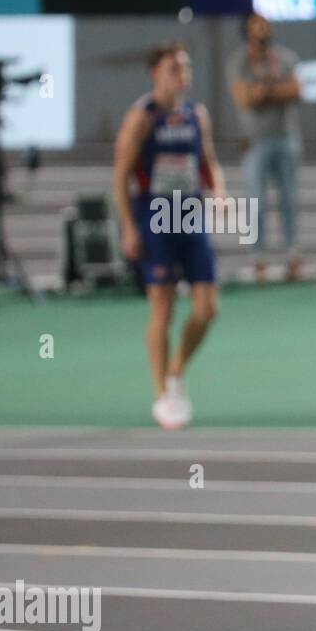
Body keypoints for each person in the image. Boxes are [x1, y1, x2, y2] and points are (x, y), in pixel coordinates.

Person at [112, 42, 224, 430]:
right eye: (174, 66)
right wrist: (128, 226)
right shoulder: (141, 118)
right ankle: (163, 394)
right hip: (155, 215)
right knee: (162, 305)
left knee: (208, 308)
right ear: (155, 73)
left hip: (189, 212)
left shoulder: (197, 114)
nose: (183, 72)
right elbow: (120, 174)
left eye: (186, 65)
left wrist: (220, 192)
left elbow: (207, 161)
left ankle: (176, 372)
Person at [227, 12, 304, 282]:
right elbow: (246, 98)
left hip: (286, 138)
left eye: (265, 23)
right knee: (256, 202)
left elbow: (296, 91)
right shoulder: (239, 62)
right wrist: (274, 90)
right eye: (256, 24)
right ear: (246, 30)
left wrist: (263, 91)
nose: (263, 28)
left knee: (289, 199)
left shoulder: (285, 57)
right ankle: (257, 257)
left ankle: (293, 255)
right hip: (255, 142)